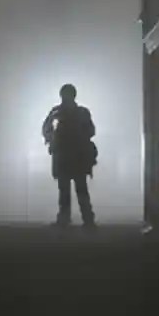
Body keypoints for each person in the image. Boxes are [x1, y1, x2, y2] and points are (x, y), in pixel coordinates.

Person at [41, 83, 97, 227]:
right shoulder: (81, 112)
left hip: (65, 156)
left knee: (67, 189)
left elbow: (46, 129)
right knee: (79, 189)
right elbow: (91, 131)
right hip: (75, 156)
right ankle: (87, 218)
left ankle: (67, 218)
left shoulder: (57, 112)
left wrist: (52, 140)